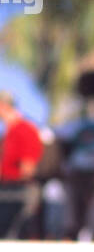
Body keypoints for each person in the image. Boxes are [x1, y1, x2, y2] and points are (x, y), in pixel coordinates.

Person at [0, 90, 44, 238]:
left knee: (12, 237)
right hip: (9, 189)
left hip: (19, 190)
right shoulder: (9, 131)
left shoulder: (25, 129)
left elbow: (28, 168)